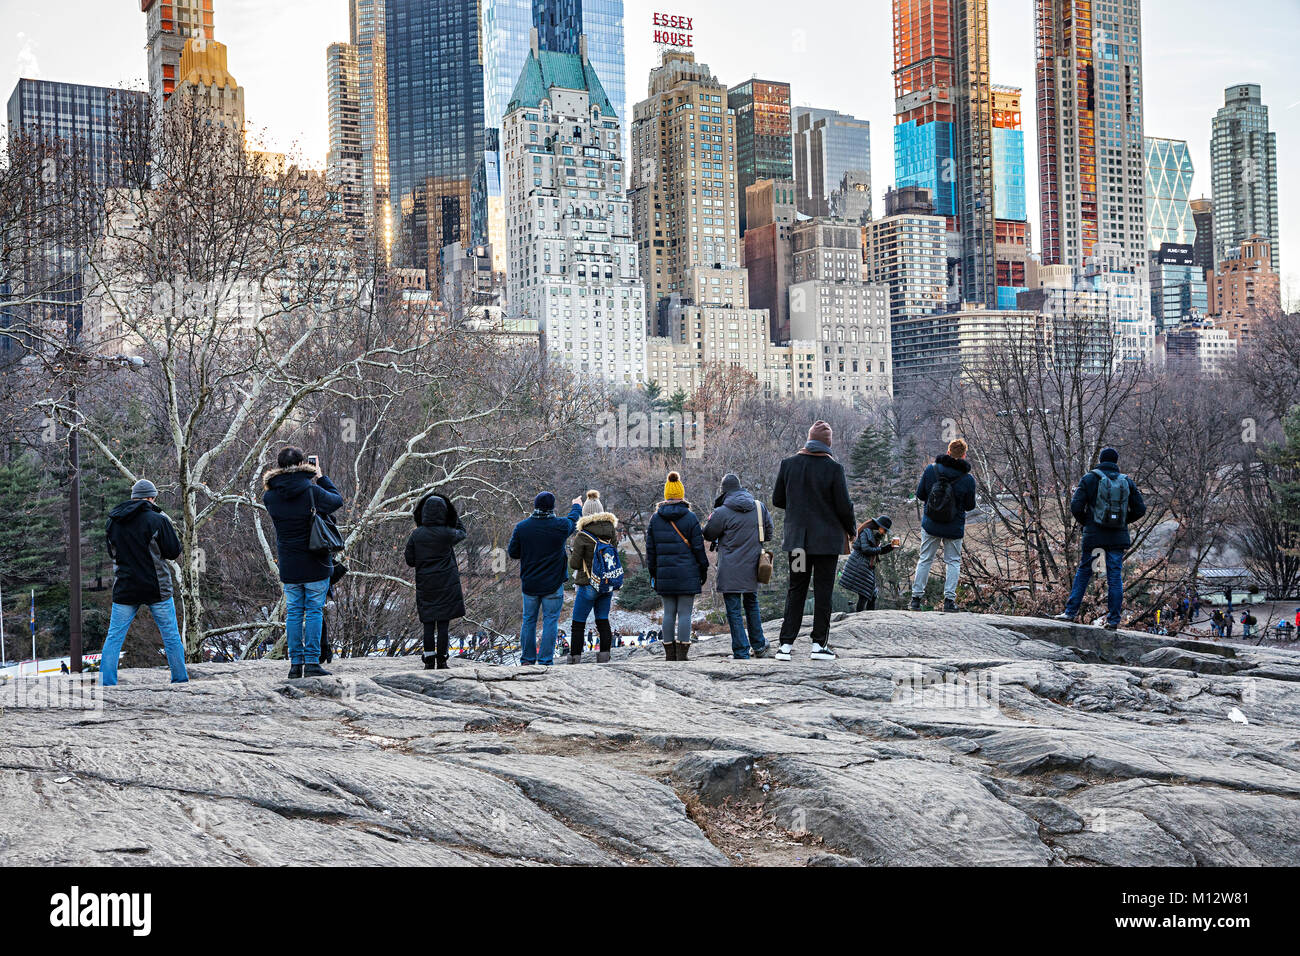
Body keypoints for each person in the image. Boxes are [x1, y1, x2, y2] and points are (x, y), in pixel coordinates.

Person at [772, 421, 857, 661]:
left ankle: (785, 645)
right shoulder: (833, 469)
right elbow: (844, 507)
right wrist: (852, 529)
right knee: (823, 591)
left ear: (809, 440)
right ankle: (819, 645)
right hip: (826, 545)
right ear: (828, 444)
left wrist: (798, 506)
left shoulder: (788, 465)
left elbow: (778, 499)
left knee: (796, 588)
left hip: (798, 543)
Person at [263, 447, 344, 679]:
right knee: (315, 612)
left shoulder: (269, 496)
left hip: (289, 562)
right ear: (302, 464)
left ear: (278, 466)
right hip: (315, 561)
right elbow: (336, 501)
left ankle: (295, 664)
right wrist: (320, 477)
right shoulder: (312, 491)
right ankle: (311, 662)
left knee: (294, 613)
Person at [100, 479, 188, 686]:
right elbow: (173, 551)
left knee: (114, 637)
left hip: (125, 587)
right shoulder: (158, 520)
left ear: (133, 498)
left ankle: (107, 683)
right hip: (156, 587)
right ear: (151, 498)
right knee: (170, 635)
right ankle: (180, 680)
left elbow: (112, 553)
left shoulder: (112, 521)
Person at [1053, 447, 1147, 630]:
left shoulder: (1089, 478)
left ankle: (1070, 613)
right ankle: (1113, 620)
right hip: (1116, 538)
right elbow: (1140, 509)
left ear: (1101, 460)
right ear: (1116, 462)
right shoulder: (1126, 481)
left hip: (1094, 536)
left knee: (1085, 572)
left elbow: (1075, 506)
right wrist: (1122, 521)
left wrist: (1087, 523)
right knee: (1114, 575)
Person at [702, 473, 773, 660]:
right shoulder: (759, 507)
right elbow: (769, 534)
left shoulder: (722, 512)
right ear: (741, 487)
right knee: (752, 604)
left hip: (730, 568)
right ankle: (759, 645)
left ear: (724, 491)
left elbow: (708, 534)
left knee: (734, 610)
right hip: (752, 566)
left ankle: (741, 651)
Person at [508, 492, 582, 666]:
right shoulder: (560, 526)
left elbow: (513, 552)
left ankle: (527, 660)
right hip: (553, 584)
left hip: (530, 583)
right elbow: (573, 520)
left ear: (535, 506)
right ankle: (545, 660)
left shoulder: (522, 527)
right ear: (553, 507)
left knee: (529, 621)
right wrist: (576, 505)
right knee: (550, 620)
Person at [909, 438, 978, 612]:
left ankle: (916, 598)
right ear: (963, 455)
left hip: (931, 524)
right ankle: (949, 601)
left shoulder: (931, 469)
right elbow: (970, 506)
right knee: (953, 562)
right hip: (954, 527)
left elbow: (920, 494)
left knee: (925, 559)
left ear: (948, 452)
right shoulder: (968, 479)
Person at [646, 472, 708, 661]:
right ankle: (682, 654)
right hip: (687, 573)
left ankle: (669, 654)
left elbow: (651, 552)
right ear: (681, 495)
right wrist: (703, 569)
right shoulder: (690, 518)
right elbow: (698, 548)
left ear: (666, 496)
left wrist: (654, 573)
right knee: (685, 614)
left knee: (668, 614)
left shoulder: (655, 519)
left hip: (665, 573)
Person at [405, 493, 468, 670]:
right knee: (443, 625)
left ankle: (428, 661)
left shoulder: (416, 535)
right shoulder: (447, 534)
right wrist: (453, 516)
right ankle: (442, 661)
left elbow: (410, 560)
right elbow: (462, 532)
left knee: (428, 623)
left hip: (426, 585)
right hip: (447, 584)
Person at [567, 490, 620, 664]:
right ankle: (604, 656)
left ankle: (575, 658)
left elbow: (574, 564)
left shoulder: (583, 535)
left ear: (585, 514)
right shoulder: (611, 531)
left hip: (588, 583)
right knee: (603, 620)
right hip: (607, 582)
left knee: (578, 623)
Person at [840, 516, 899, 612]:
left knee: (872, 594)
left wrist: (890, 547)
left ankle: (867, 617)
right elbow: (866, 549)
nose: (884, 532)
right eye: (884, 529)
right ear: (879, 526)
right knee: (865, 594)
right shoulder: (866, 532)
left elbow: (876, 551)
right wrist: (880, 549)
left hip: (865, 565)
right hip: (859, 564)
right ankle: (860, 618)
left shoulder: (874, 535)